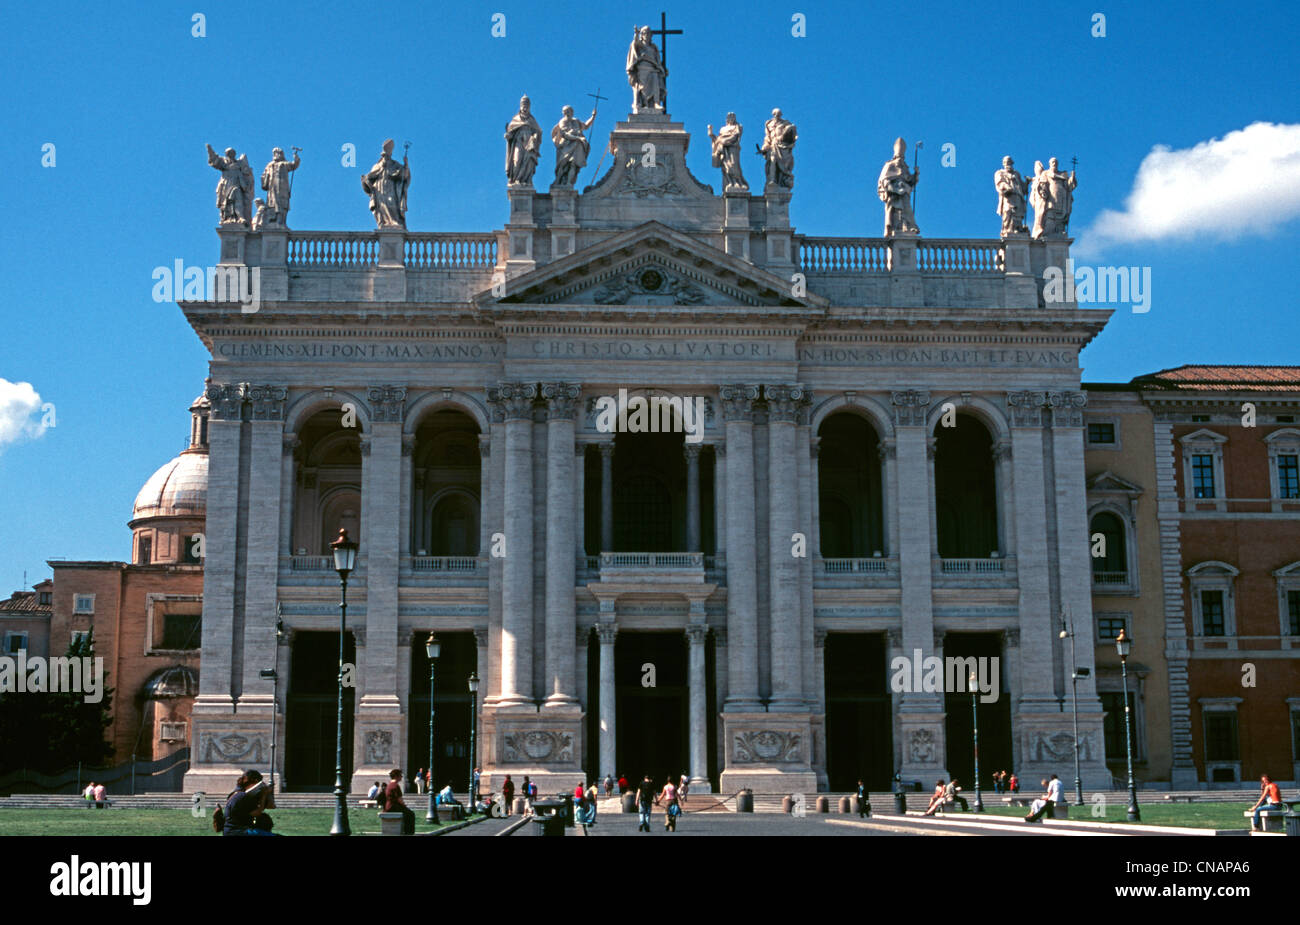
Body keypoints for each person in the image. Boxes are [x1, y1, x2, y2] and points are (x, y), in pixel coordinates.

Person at [220, 770, 276, 836]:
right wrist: (264, 795)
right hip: (237, 831)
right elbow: (256, 813)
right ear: (255, 781)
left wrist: (267, 793)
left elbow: (271, 806)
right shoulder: (242, 796)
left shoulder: (237, 793)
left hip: (232, 831)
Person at [384, 768, 416, 835]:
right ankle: (409, 832)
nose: (401, 777)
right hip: (394, 807)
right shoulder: (396, 786)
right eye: (400, 775)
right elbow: (399, 799)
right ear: (396, 776)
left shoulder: (389, 785)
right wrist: (404, 805)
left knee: (407, 813)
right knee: (411, 814)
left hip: (388, 806)